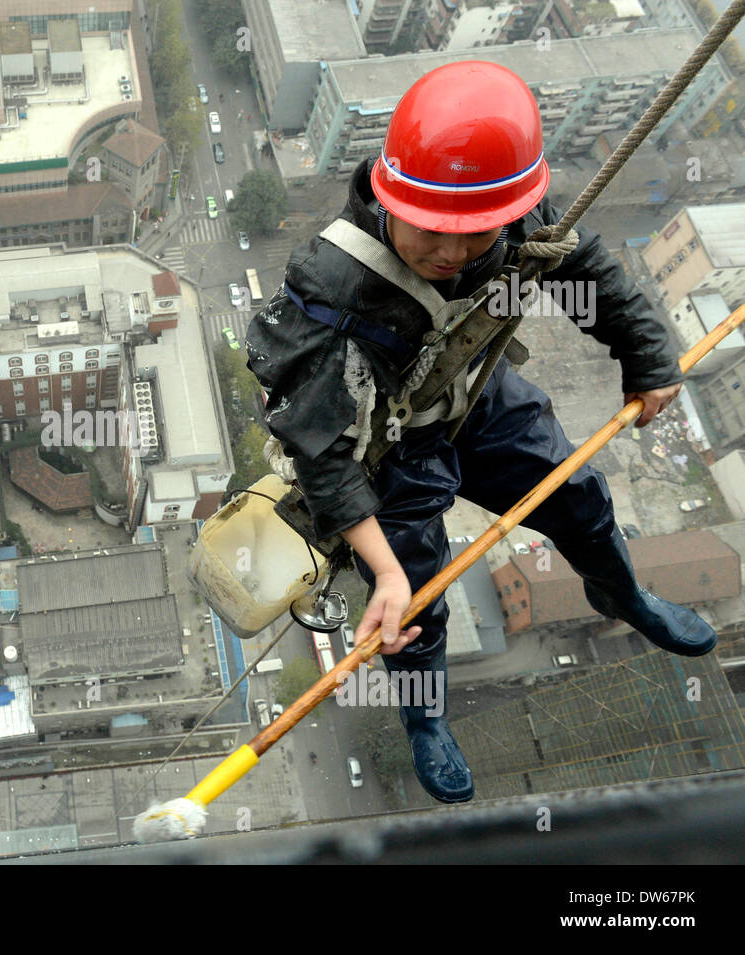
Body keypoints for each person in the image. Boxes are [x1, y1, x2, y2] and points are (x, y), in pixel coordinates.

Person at [246, 61, 716, 805]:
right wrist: (385, 568)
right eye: (433, 232)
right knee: (414, 597)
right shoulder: (328, 287)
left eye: (476, 236)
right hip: (386, 449)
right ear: (391, 199)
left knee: (578, 491)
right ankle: (424, 714)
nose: (454, 254)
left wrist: (649, 357)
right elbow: (318, 445)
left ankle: (620, 590)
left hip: (476, 400)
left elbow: (586, 272)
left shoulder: (502, 214)